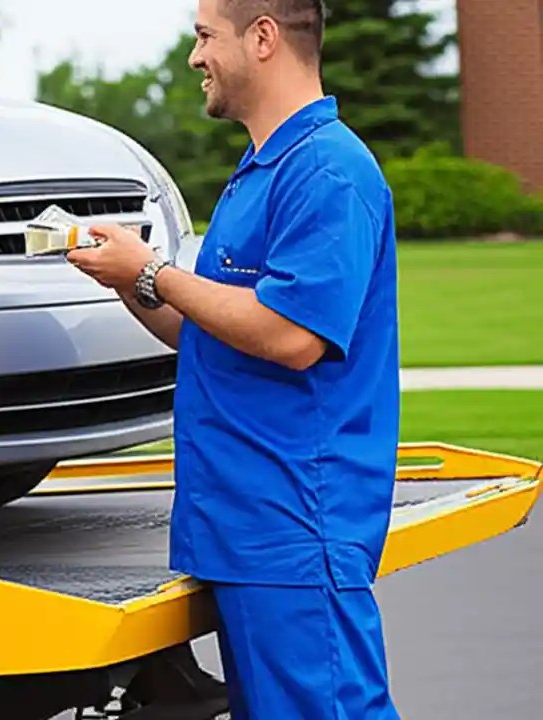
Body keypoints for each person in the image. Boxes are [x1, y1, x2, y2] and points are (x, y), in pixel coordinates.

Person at [65, 0, 402, 718]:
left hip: (295, 527)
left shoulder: (328, 172)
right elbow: (212, 332)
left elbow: (289, 335)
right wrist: (130, 278)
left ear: (263, 38)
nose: (194, 58)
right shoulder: (263, 168)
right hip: (248, 532)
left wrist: (155, 271)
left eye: (204, 37)